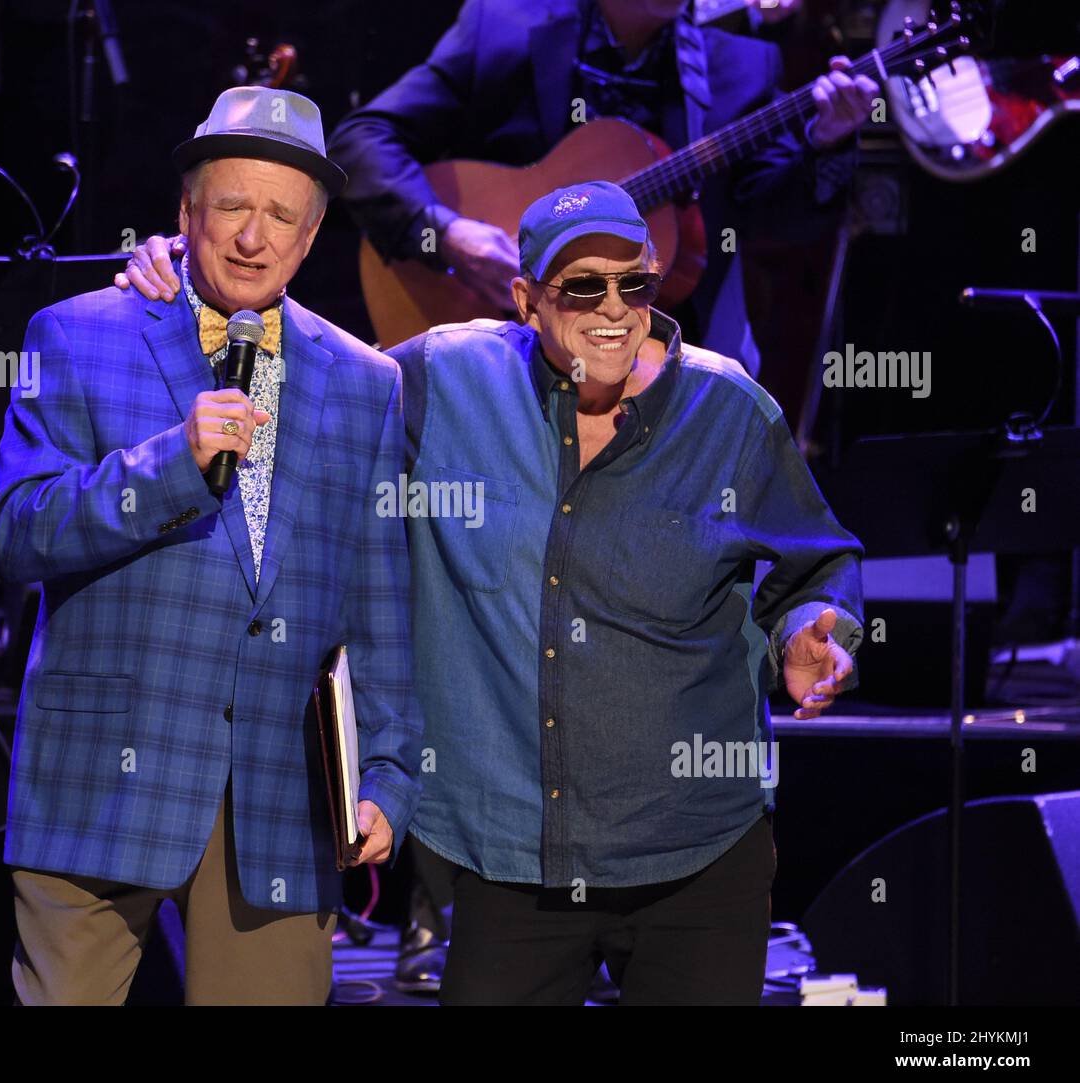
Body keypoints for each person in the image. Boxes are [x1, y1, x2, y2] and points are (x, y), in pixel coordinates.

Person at [120, 179, 863, 1004]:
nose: (614, 308)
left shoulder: (728, 409)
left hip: (694, 851)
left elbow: (821, 560)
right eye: (582, 286)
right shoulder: (442, 378)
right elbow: (303, 377)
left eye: (636, 284)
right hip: (509, 854)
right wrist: (187, 286)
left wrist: (813, 630)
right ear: (526, 299)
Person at [0, 86, 421, 1005]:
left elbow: (382, 602)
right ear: (185, 213)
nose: (253, 237)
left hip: (283, 792)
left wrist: (386, 770)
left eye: (281, 217)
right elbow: (18, 531)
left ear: (310, 239)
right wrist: (170, 464)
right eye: (232, 207)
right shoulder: (76, 333)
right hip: (102, 769)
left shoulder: (367, 379)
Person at [325, 0, 878, 376]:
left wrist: (826, 141)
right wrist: (446, 234)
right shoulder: (505, 25)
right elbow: (361, 139)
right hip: (498, 357)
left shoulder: (740, 67)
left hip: (660, 365)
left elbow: (773, 219)